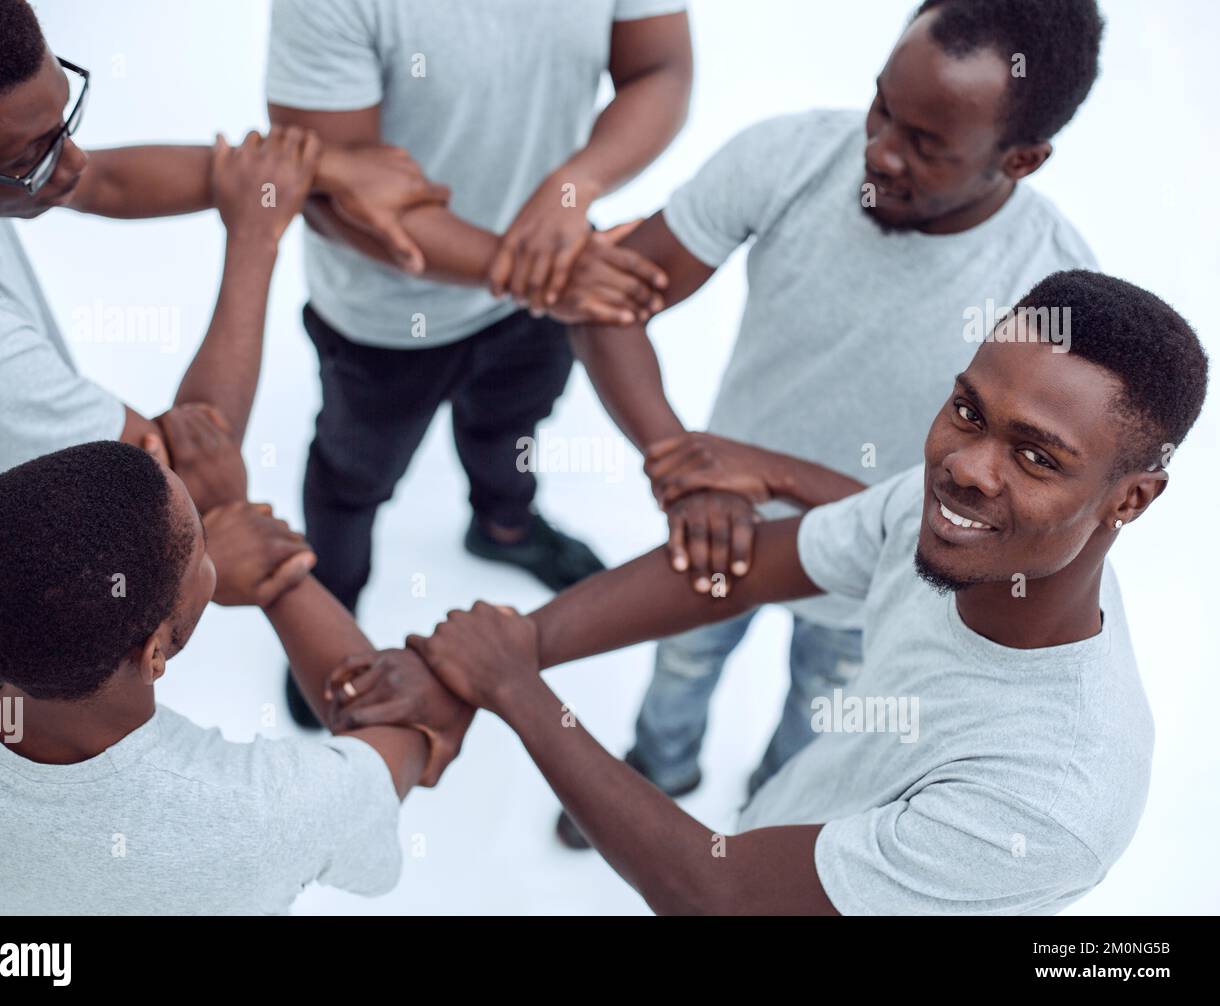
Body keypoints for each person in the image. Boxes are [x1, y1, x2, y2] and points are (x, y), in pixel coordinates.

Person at [349, 270, 1208, 915]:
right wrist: (511, 647)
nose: (968, 467)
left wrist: (512, 688)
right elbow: (751, 565)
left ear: (1131, 499)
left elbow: (718, 897)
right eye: (969, 411)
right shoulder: (952, 514)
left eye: (1037, 456)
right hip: (790, 824)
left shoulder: (1055, 797)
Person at [555, 0, 1106, 845]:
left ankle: (760, 824)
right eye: (882, 105)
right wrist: (677, 460)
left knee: (817, 735)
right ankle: (658, 773)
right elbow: (605, 300)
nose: (880, 150)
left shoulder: (1051, 302)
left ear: (1022, 159)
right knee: (680, 670)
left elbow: (1025, 529)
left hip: (879, 582)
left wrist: (837, 521)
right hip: (715, 525)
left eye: (927, 145)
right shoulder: (793, 156)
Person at [0, 0, 449, 653]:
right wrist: (256, 238)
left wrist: (323, 169)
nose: (75, 162)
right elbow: (175, 487)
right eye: (34, 156)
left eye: (66, 120)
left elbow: (103, 183)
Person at [264, 0, 693, 722]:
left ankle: (503, 527)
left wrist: (572, 189)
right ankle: (327, 617)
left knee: (513, 426)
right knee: (351, 478)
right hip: (388, 315)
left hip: (547, 285)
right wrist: (526, 268)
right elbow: (327, 190)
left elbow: (660, 68)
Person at [0, 432, 470, 914]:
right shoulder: (262, 814)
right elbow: (414, 729)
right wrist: (280, 573)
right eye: (205, 545)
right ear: (153, 653)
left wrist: (188, 570)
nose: (217, 548)